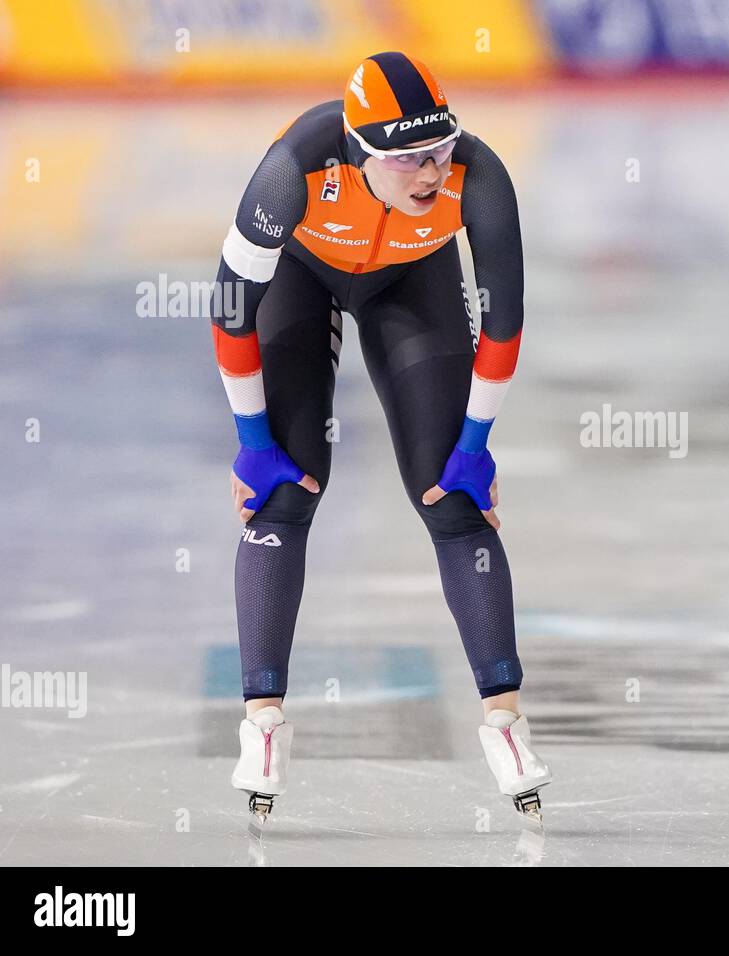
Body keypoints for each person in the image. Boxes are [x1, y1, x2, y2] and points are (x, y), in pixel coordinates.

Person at [210, 52, 551, 822]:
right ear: (361, 154)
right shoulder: (292, 170)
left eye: (438, 150)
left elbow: (505, 325)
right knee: (284, 488)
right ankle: (263, 724)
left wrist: (476, 442)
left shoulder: (478, 175)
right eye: (409, 160)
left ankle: (506, 722)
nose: (431, 172)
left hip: (413, 281)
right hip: (302, 272)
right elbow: (231, 311)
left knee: (452, 494)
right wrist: (250, 439)